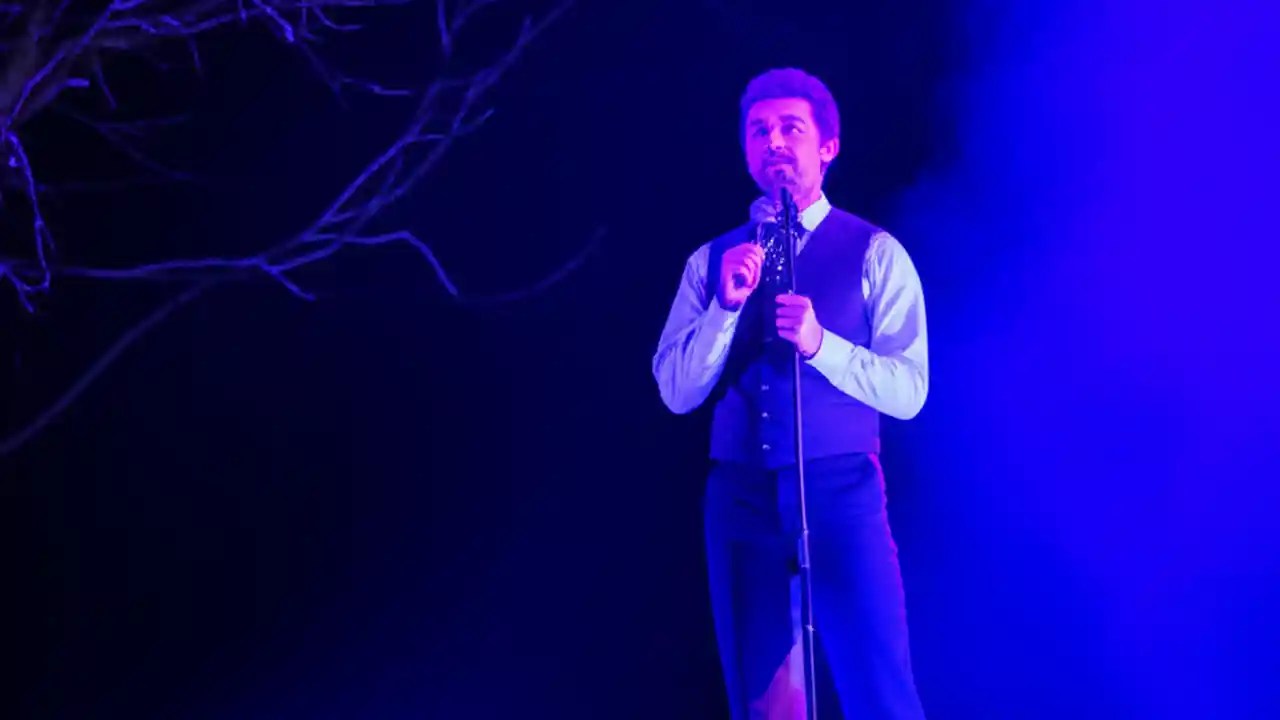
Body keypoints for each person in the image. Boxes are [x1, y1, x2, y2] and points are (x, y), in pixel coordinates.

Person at [651, 67, 930, 718]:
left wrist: (820, 344)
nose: (772, 141)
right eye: (758, 131)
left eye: (790, 128)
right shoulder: (710, 262)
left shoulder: (875, 251)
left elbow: (910, 390)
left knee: (879, 689)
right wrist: (724, 308)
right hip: (741, 500)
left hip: (842, 495)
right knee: (766, 702)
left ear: (827, 146)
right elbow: (675, 391)